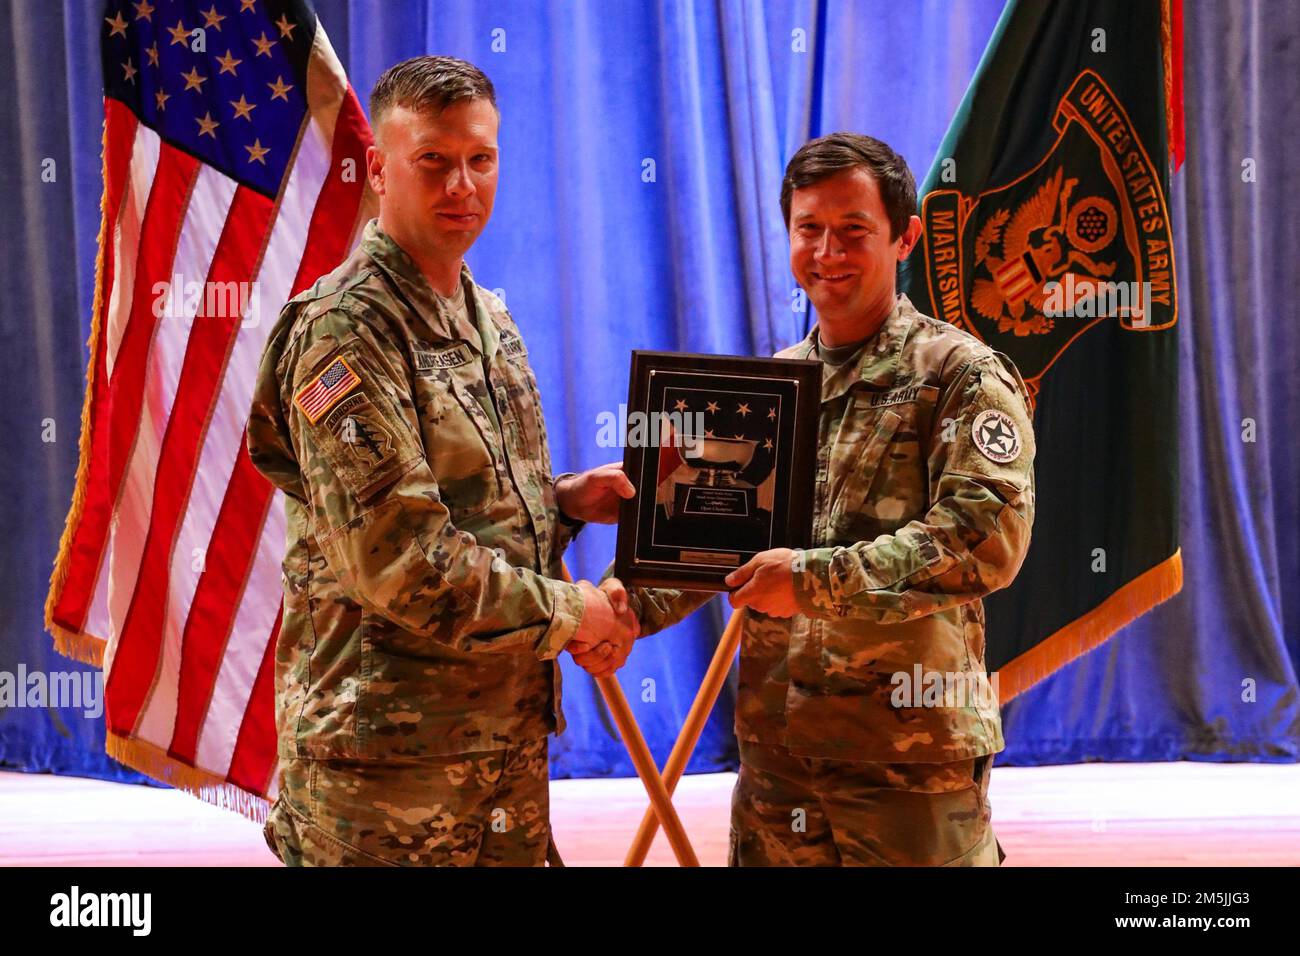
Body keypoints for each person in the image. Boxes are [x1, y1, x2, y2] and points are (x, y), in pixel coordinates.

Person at [246, 55, 638, 867]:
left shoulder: (484, 312)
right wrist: (574, 614)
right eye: (434, 160)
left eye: (480, 159)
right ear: (381, 168)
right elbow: (402, 562)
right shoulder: (345, 332)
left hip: (500, 747)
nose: (462, 184)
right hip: (384, 773)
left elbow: (473, 505)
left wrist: (562, 501)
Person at [621, 133, 1036, 866]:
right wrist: (620, 609)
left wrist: (811, 581)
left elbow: (984, 538)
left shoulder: (960, 374)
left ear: (904, 236)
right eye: (808, 230)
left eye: (853, 232)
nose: (827, 252)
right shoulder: (772, 387)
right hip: (778, 764)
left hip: (907, 759)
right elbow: (715, 542)